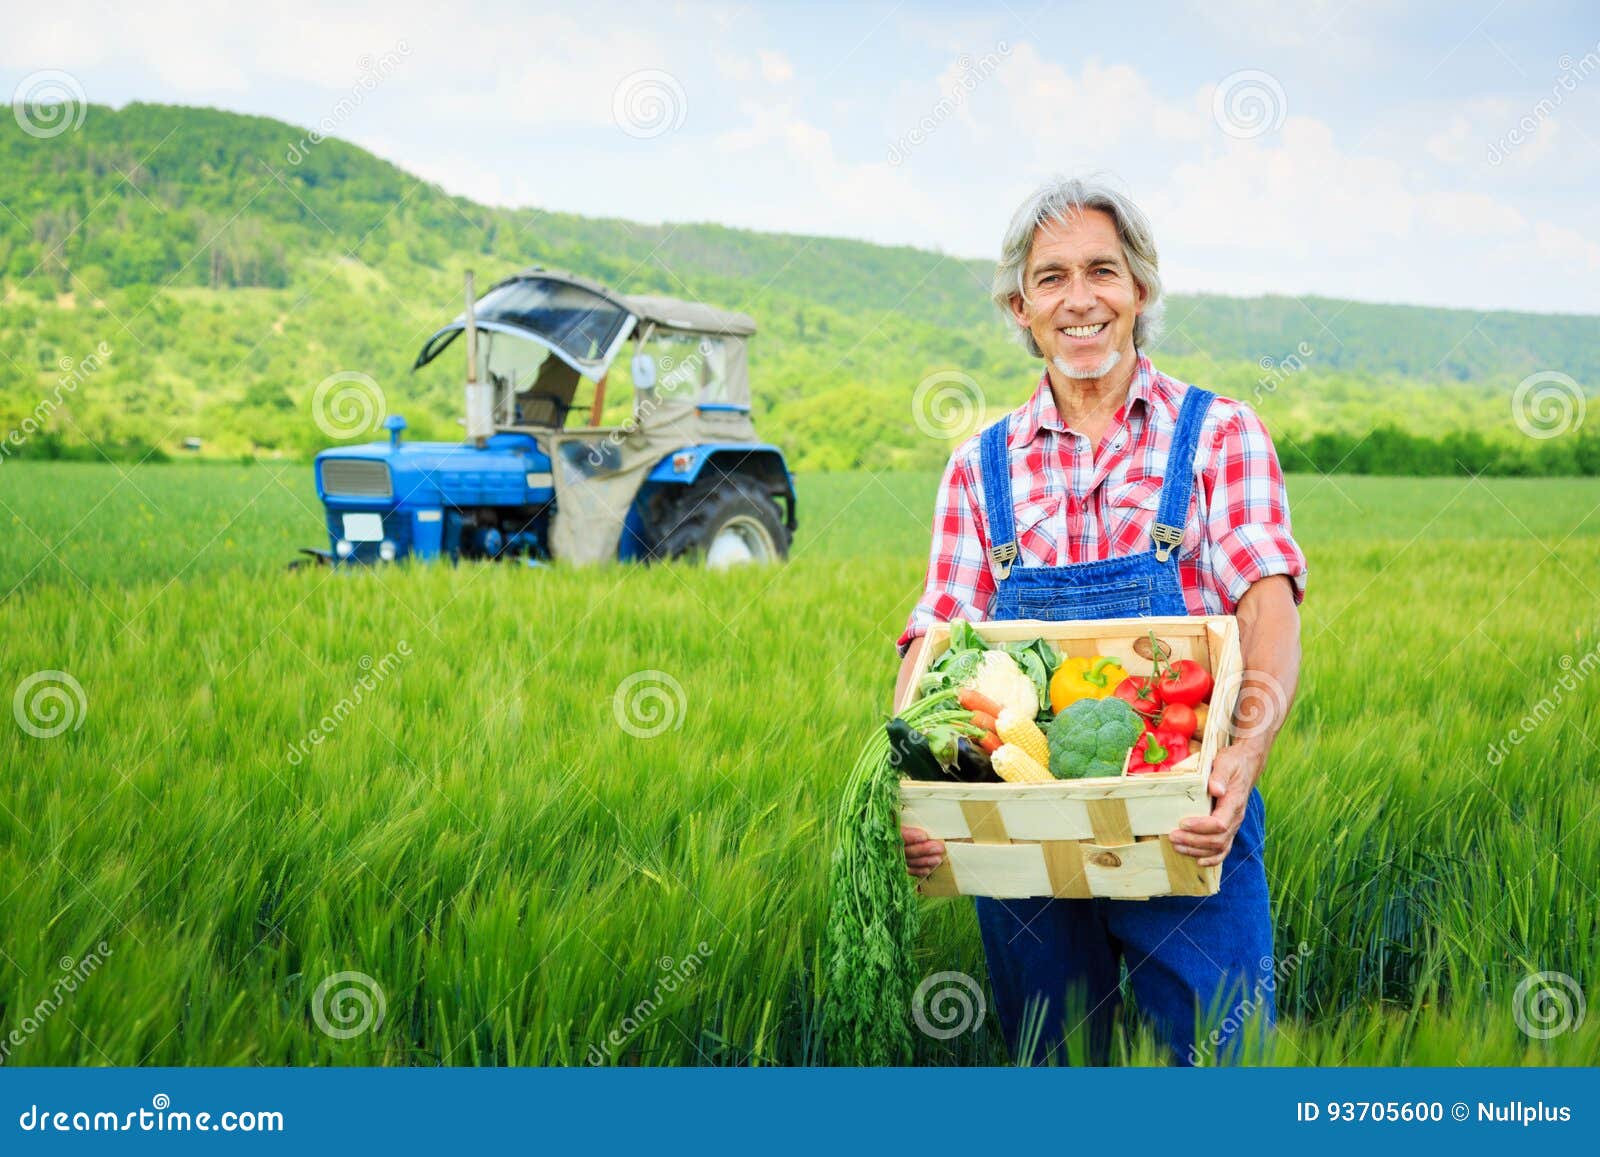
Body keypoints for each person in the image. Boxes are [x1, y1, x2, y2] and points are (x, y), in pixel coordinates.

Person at [896, 176, 1307, 1066]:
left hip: (1186, 817)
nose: (1079, 299)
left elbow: (1267, 597)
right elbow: (938, 629)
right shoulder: (980, 467)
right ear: (1020, 307)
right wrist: (913, 784)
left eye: (1102, 271)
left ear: (1141, 292)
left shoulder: (1219, 435)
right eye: (1050, 278)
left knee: (1220, 1072)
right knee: (1055, 1076)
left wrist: (1242, 760)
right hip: (1023, 837)